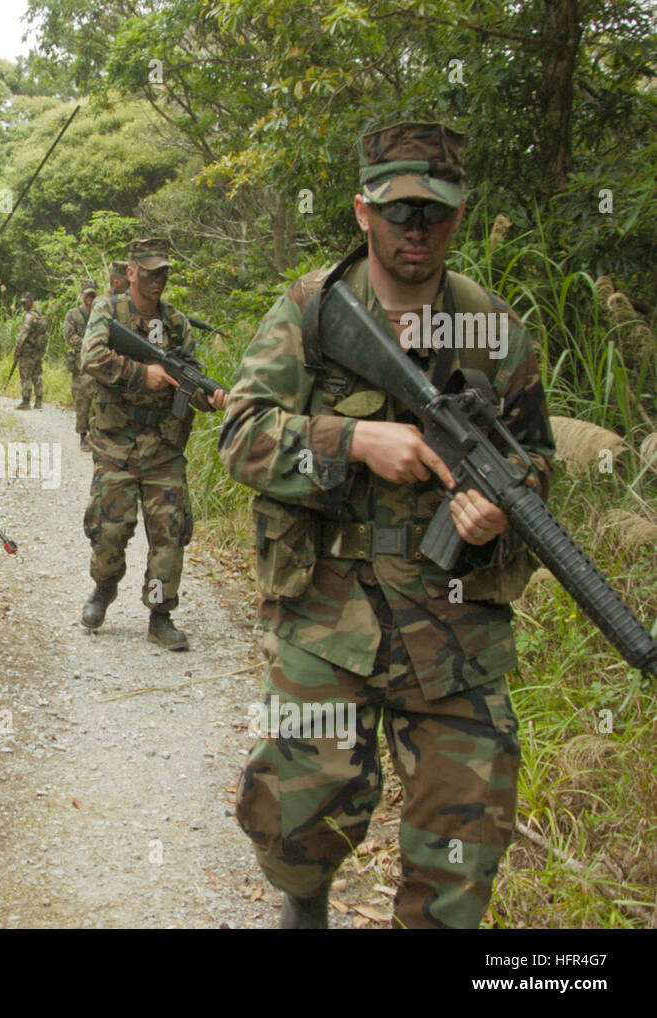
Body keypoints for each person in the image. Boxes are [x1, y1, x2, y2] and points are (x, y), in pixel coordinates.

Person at [219, 120, 555, 928]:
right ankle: (306, 896)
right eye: (399, 211)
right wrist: (353, 441)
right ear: (363, 212)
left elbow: (537, 460)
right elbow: (240, 435)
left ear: (459, 217)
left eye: (433, 214)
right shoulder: (314, 308)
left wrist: (499, 507)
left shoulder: (494, 330)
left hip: (456, 631)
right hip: (328, 612)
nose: (416, 229)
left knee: (462, 850)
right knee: (292, 827)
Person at [79, 238, 228, 650]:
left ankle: (160, 615)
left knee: (170, 533)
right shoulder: (108, 310)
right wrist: (141, 374)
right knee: (109, 532)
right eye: (148, 272)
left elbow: (191, 378)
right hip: (116, 445)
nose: (156, 280)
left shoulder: (177, 323)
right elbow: (90, 359)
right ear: (131, 272)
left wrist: (209, 397)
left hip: (163, 447)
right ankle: (104, 588)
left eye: (163, 272)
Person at [64, 280, 98, 451]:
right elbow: (70, 337)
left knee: (99, 401)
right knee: (81, 401)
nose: (89, 299)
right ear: (81, 295)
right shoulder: (73, 314)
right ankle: (83, 435)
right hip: (80, 366)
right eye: (87, 295)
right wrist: (89, 343)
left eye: (93, 295)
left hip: (99, 364)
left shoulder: (101, 314)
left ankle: (97, 434)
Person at [14, 292, 48, 409]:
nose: (23, 305)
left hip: (28, 352)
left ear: (30, 302)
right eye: (22, 302)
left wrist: (17, 350)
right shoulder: (39, 315)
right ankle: (38, 401)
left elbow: (23, 335)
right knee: (37, 375)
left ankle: (26, 401)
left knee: (26, 376)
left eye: (25, 302)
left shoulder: (29, 317)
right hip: (38, 351)